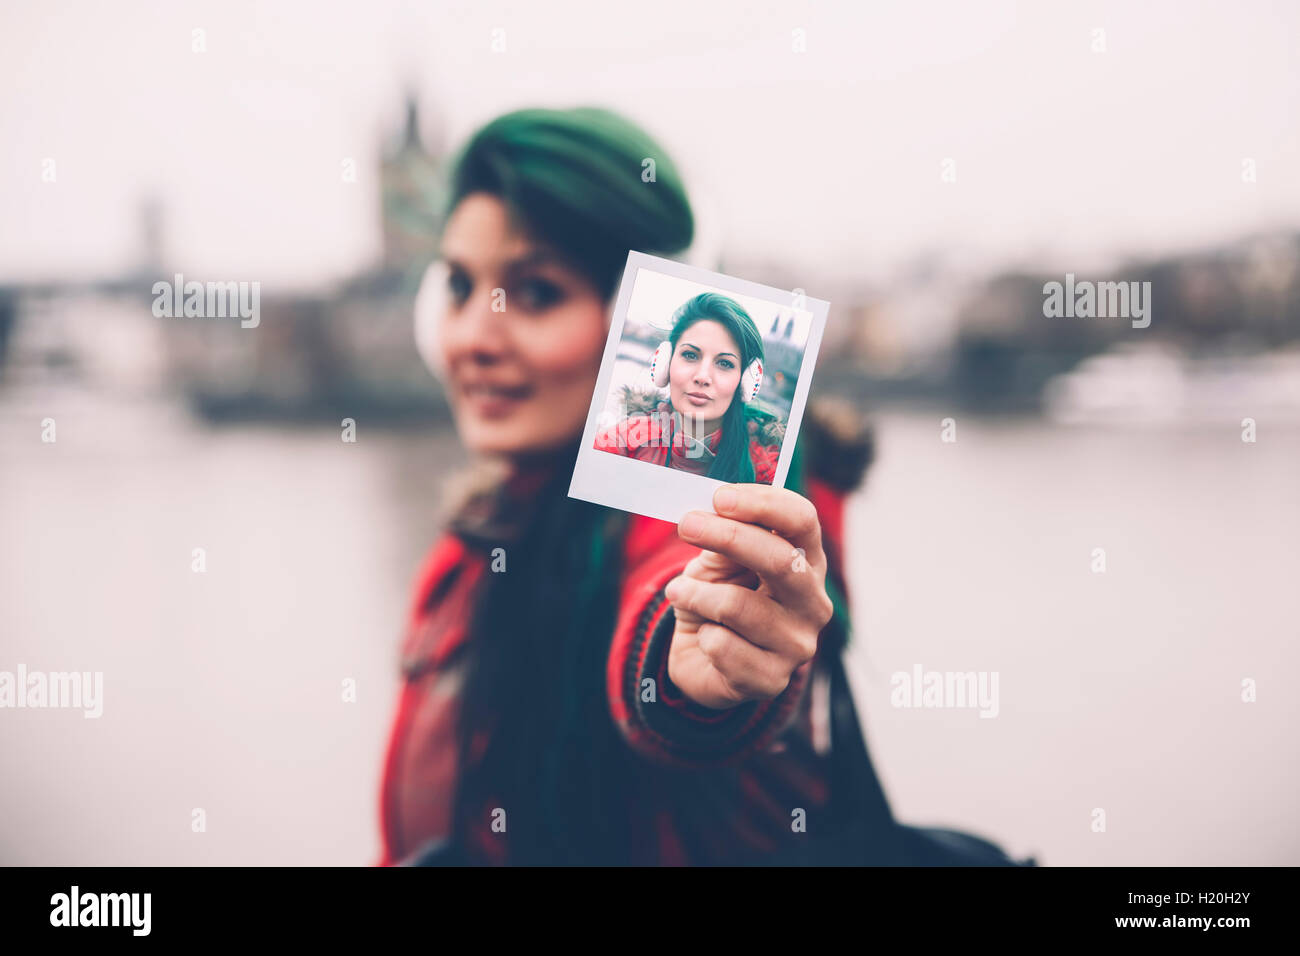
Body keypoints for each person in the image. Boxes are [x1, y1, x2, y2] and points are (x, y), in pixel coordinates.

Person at [377, 106, 1026, 866]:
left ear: (641, 322)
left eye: (537, 293)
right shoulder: (482, 536)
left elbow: (675, 580)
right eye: (458, 286)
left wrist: (703, 673)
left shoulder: (713, 496)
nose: (473, 338)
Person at [593, 292, 785, 484]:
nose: (702, 377)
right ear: (665, 363)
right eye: (690, 355)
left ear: (746, 381)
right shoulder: (625, 440)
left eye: (725, 363)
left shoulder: (767, 468)